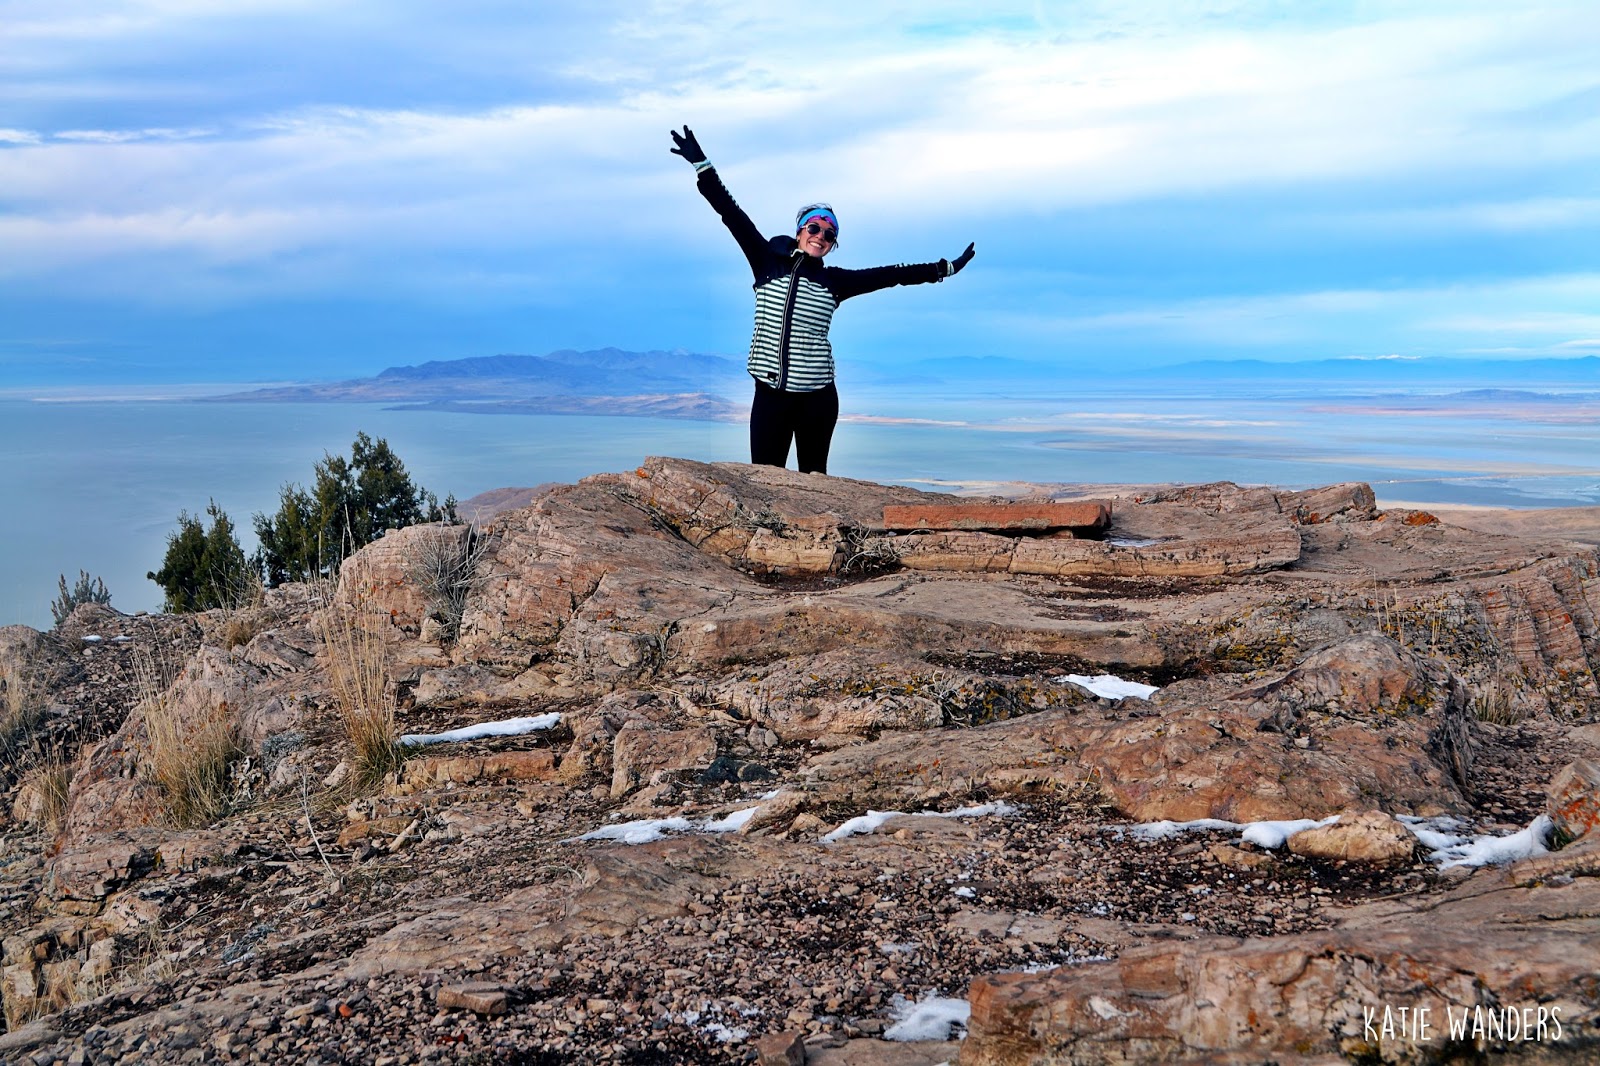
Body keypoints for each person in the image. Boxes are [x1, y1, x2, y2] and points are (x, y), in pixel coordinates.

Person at [671, 125, 975, 475]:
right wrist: (702, 165)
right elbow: (731, 213)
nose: (821, 236)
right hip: (770, 396)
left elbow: (893, 275)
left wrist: (945, 268)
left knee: (814, 482)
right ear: (800, 230)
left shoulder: (834, 282)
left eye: (829, 234)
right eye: (814, 228)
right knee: (766, 481)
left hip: (818, 399)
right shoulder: (765, 262)